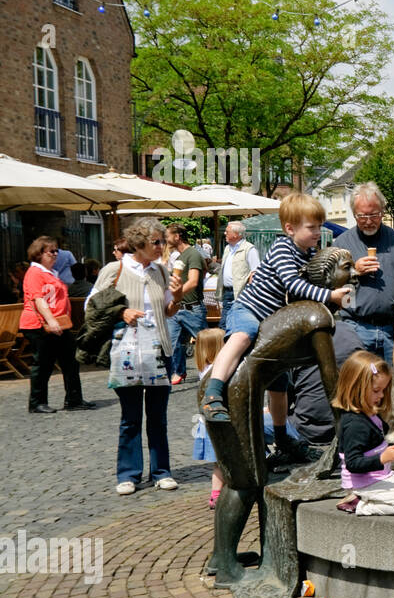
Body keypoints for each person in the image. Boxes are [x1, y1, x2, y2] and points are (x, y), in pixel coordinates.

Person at [201, 193, 349, 425]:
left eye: (319, 226)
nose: (318, 232)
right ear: (290, 229)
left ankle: (282, 438)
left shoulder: (309, 253)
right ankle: (213, 393)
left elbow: (309, 288)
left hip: (272, 319)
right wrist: (330, 295)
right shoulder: (283, 247)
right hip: (249, 309)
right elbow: (293, 284)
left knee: (280, 382)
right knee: (242, 335)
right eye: (312, 227)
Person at [91, 219, 185, 495]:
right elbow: (92, 304)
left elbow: (168, 310)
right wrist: (121, 313)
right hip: (127, 352)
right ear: (139, 243)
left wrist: (177, 298)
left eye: (163, 241)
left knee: (158, 417)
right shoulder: (115, 270)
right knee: (130, 417)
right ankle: (128, 474)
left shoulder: (161, 271)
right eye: (156, 242)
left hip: (159, 350)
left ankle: (161, 471)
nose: (161, 247)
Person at [332, 350, 394, 515]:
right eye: (376, 391)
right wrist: (382, 459)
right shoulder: (354, 424)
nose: (382, 396)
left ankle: (367, 499)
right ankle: (360, 505)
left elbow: (378, 446)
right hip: (364, 484)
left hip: (382, 477)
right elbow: (353, 463)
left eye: (384, 390)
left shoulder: (372, 415)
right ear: (356, 388)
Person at [331, 184, 394, 364]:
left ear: (382, 211)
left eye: (373, 214)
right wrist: (353, 271)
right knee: (360, 387)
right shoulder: (342, 243)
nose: (368, 221)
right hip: (356, 327)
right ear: (354, 213)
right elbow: (332, 288)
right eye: (362, 216)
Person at [21, 236, 92, 414]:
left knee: (70, 361)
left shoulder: (50, 272)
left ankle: (74, 399)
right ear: (39, 254)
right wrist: (51, 320)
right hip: (40, 325)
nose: (55, 254)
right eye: (51, 251)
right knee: (43, 364)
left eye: (56, 251)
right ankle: (37, 402)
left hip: (61, 323)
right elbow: (37, 299)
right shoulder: (35, 273)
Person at [164, 224, 207, 385]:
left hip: (192, 308)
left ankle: (213, 370)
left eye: (167, 235)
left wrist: (176, 295)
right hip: (177, 308)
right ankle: (178, 372)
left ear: (177, 237)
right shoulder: (179, 256)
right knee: (173, 342)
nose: (165, 239)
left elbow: (194, 281)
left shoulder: (193, 254)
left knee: (204, 343)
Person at [191, 328, 226, 509]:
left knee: (218, 464)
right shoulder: (216, 372)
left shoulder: (204, 369)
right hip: (218, 424)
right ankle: (219, 495)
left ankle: (216, 494)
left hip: (206, 424)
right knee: (223, 463)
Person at [218, 221, 259, 332]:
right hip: (227, 292)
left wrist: (249, 292)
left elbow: (255, 272)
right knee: (224, 324)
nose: (225, 233)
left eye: (227, 232)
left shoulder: (249, 249)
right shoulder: (227, 249)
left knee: (238, 325)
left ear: (236, 234)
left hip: (241, 293)